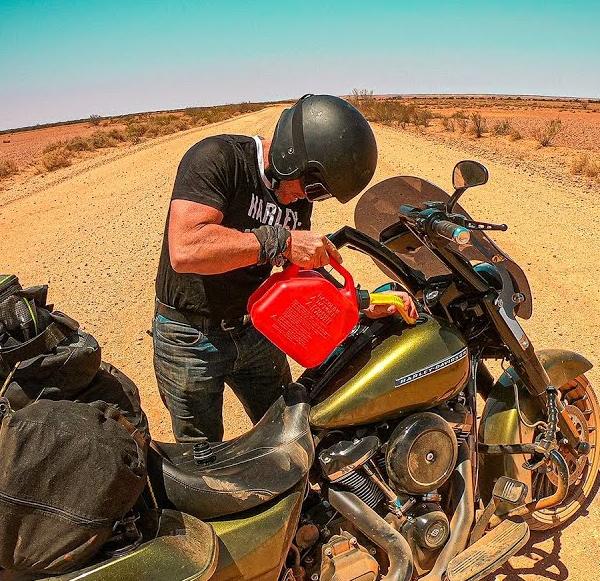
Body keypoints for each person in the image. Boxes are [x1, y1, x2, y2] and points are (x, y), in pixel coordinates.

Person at [153, 93, 414, 443]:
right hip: (189, 336)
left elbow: (299, 275)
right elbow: (186, 248)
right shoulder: (217, 158)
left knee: (288, 436)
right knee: (202, 463)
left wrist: (362, 302)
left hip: (255, 326)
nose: (310, 199)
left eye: (320, 195)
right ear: (291, 157)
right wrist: (283, 241)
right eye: (315, 188)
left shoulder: (294, 195)